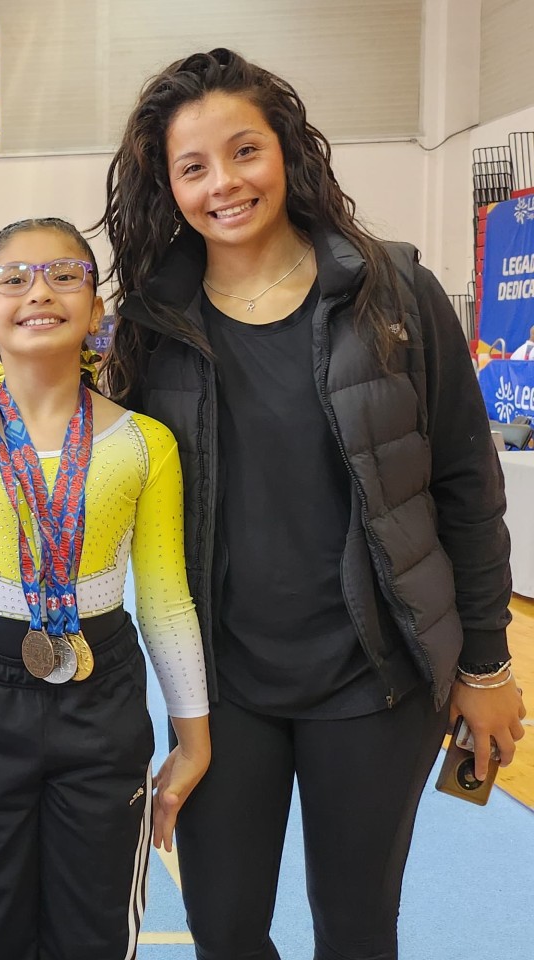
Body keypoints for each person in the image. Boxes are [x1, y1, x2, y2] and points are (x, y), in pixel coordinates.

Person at [99, 48, 526, 960]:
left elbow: (465, 482)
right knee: (224, 927)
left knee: (358, 925)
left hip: (376, 680)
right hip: (223, 688)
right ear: (166, 185)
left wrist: (485, 666)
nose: (225, 183)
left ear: (287, 149)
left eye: (244, 150)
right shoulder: (150, 322)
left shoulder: (393, 289)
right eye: (194, 167)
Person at [0, 218, 211, 958]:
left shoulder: (144, 442)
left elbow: (165, 598)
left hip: (101, 699)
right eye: (12, 277)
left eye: (65, 274)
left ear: (96, 308)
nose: (38, 291)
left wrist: (193, 737)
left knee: (96, 927)